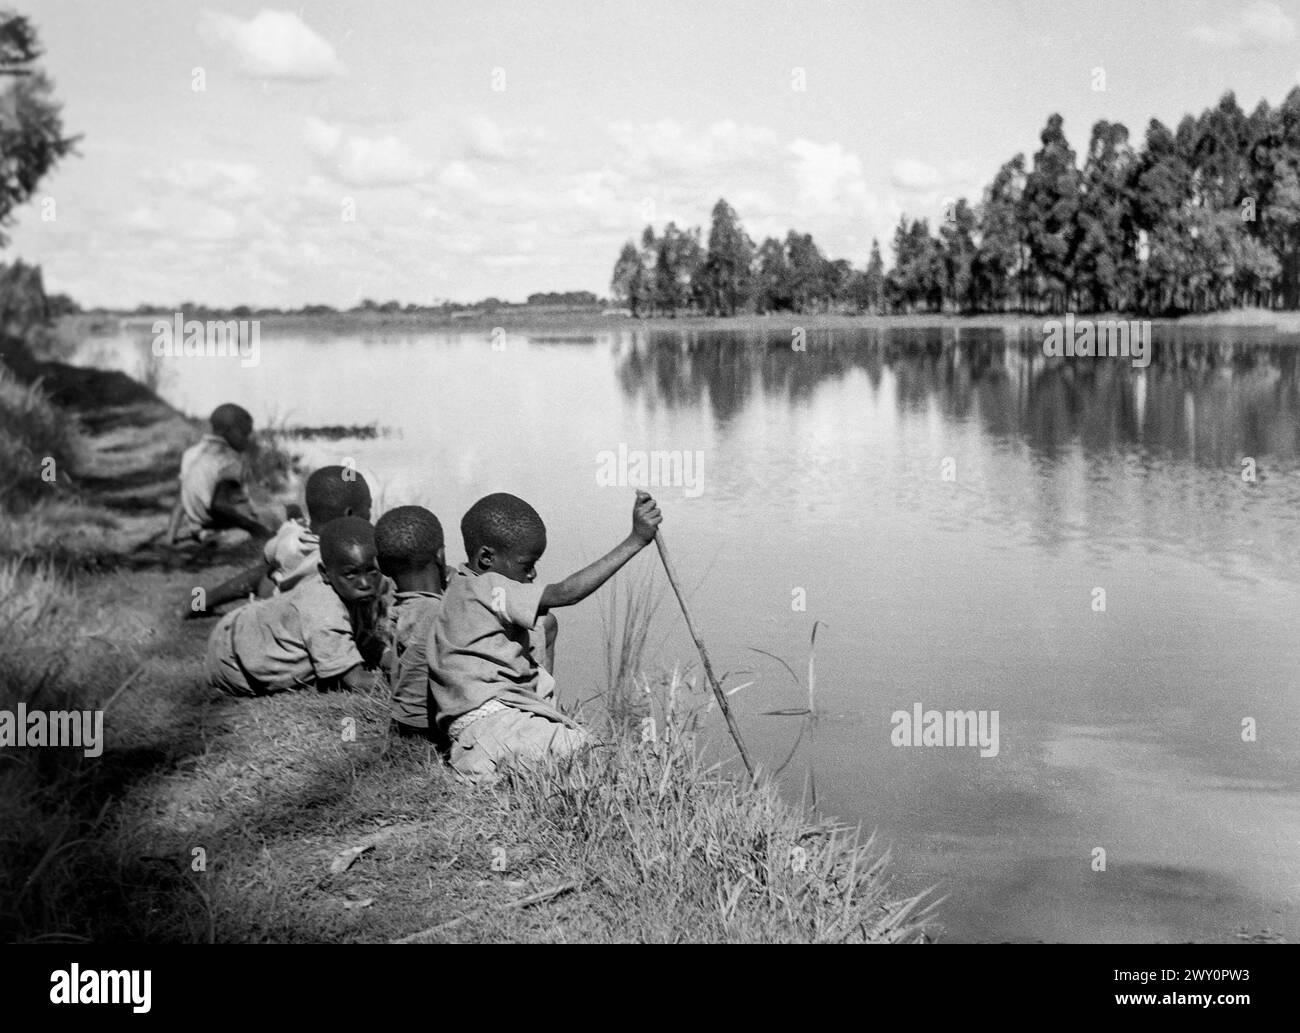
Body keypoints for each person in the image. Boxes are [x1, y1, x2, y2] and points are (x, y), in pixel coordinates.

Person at [430, 489, 661, 779]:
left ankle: (516, 742)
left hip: (480, 725)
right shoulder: (488, 587)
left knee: (544, 623)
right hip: (493, 725)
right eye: (526, 566)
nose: (532, 575)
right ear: (487, 557)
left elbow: (543, 623)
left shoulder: (460, 587)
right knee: (592, 755)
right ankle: (492, 762)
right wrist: (636, 540)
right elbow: (567, 593)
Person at [204, 516, 385, 696]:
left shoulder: (354, 593)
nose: (364, 583)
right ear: (325, 573)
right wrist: (408, 685)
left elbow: (369, 645)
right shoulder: (324, 610)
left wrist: (398, 661)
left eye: (372, 571)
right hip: (230, 658)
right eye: (351, 574)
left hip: (250, 626)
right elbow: (356, 681)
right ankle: (197, 602)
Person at [184, 465, 373, 618]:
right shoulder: (343, 556)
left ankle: (205, 599)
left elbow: (268, 554)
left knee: (267, 571)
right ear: (350, 514)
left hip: (275, 602)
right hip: (306, 620)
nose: (371, 516)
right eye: (368, 509)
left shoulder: (290, 534)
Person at [374, 505, 447, 738]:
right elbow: (415, 712)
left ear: (382, 566)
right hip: (426, 731)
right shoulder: (434, 614)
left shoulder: (402, 611)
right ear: (441, 555)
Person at [167, 404, 272, 545]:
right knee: (277, 518)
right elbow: (221, 505)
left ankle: (207, 536)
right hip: (221, 526)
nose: (247, 440)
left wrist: (170, 536)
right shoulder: (229, 459)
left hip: (197, 528)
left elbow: (181, 498)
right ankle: (218, 539)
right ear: (228, 431)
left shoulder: (191, 454)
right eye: (244, 434)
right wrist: (256, 529)